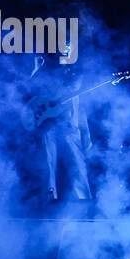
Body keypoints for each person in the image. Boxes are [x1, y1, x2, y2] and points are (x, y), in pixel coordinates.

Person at [30, 50, 92, 199]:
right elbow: (32, 95)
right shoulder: (49, 72)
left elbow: (79, 107)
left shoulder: (77, 73)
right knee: (49, 165)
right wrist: (36, 70)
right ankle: (49, 198)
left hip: (70, 129)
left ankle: (83, 204)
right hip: (50, 127)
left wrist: (86, 134)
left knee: (76, 167)